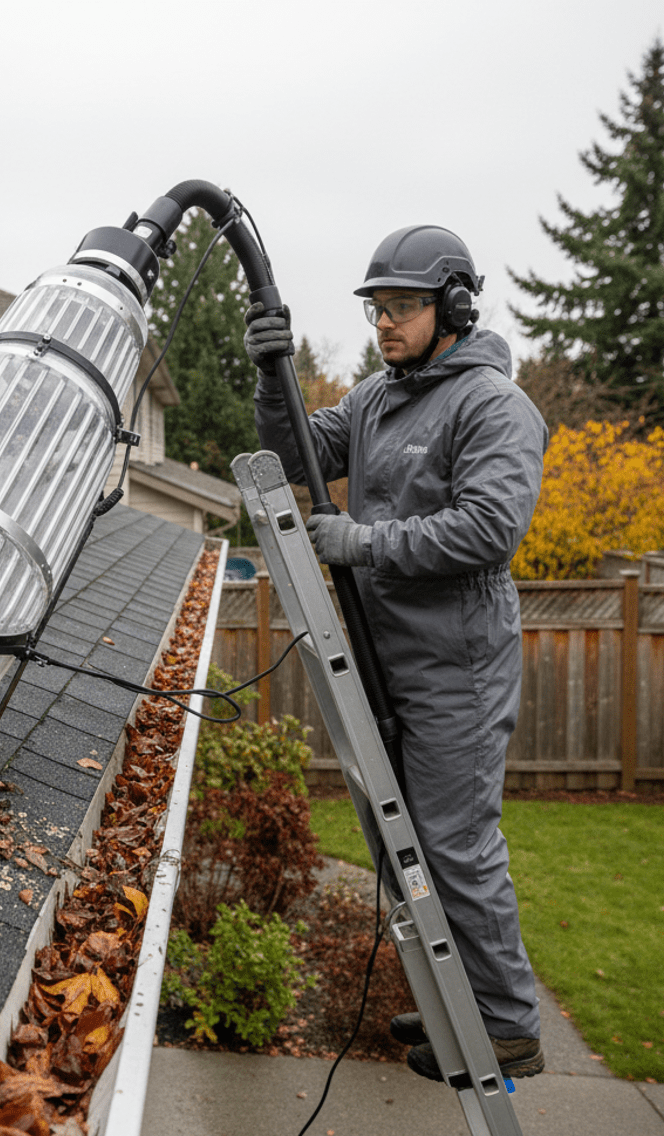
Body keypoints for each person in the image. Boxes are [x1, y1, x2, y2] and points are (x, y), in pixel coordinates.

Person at [243, 225, 549, 1081]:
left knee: (453, 842)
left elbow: (489, 529)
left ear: (452, 306)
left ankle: (508, 1021)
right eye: (378, 308)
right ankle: (456, 996)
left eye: (403, 307)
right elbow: (299, 448)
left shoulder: (492, 405)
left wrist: (361, 541)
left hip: (457, 666)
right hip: (384, 659)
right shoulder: (377, 399)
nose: (385, 322)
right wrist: (275, 376)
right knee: (398, 841)